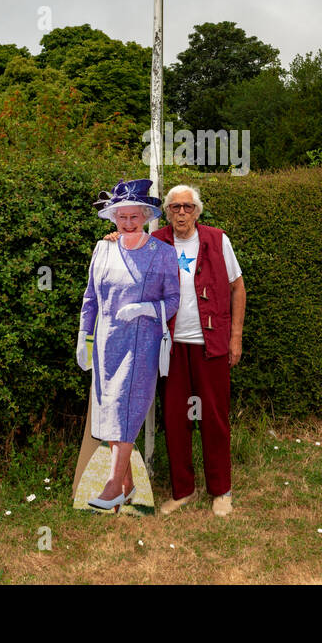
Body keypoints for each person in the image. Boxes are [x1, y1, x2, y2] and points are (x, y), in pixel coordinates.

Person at [105, 183, 245, 516]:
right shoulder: (157, 242)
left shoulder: (217, 240)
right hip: (170, 347)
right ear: (167, 212)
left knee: (213, 418)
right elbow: (128, 261)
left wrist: (235, 337)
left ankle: (221, 491)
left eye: (187, 207)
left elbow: (238, 288)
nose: (181, 213)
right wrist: (114, 241)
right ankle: (182, 490)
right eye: (174, 207)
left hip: (210, 345)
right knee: (176, 418)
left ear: (197, 211)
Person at [77, 179, 180, 512]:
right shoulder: (103, 248)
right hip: (107, 343)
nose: (129, 223)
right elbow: (91, 297)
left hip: (142, 343)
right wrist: (85, 335)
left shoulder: (162, 254)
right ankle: (129, 485)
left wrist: (146, 309)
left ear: (146, 216)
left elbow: (174, 299)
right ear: (114, 218)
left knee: (127, 408)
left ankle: (112, 489)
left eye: (135, 217)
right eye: (122, 217)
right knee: (109, 409)